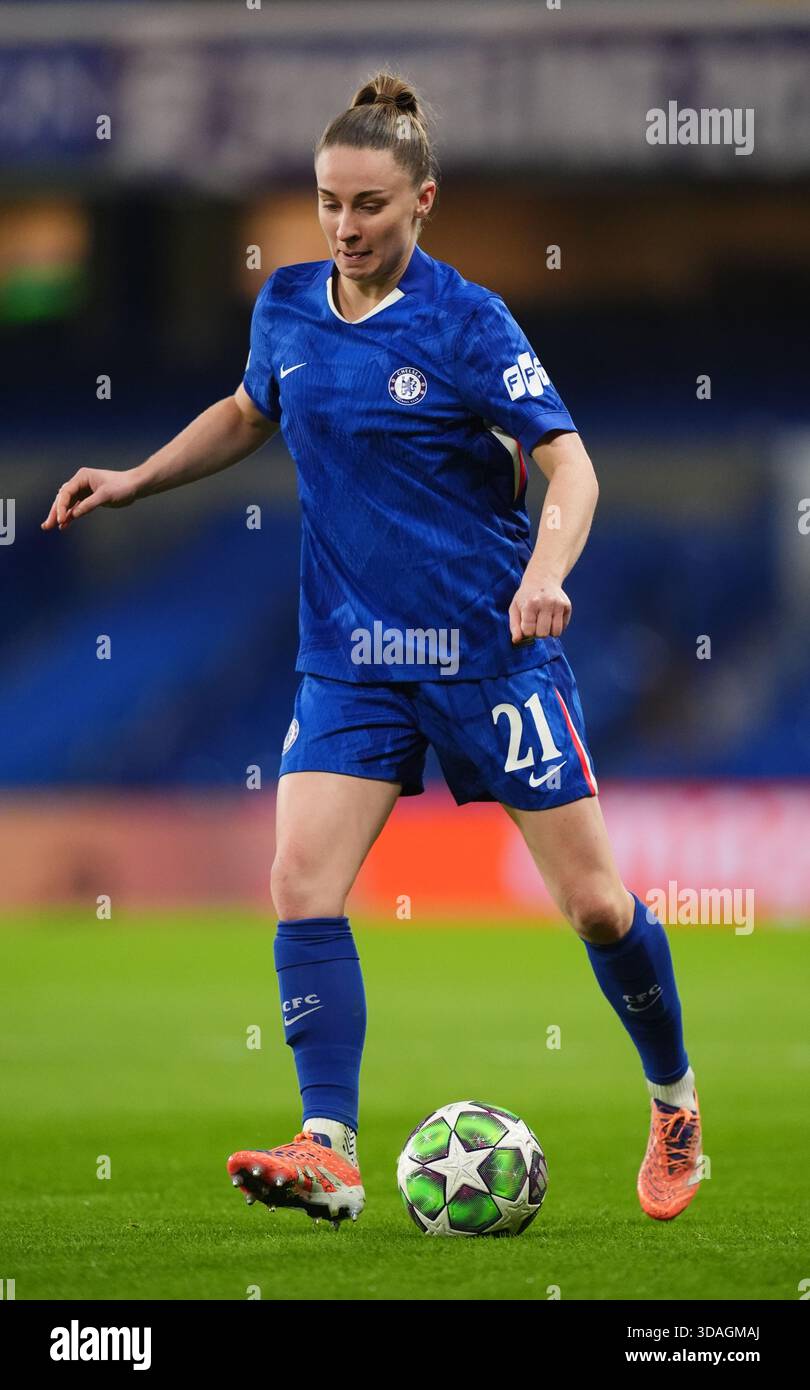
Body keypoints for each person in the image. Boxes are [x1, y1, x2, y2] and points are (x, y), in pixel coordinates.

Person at [42, 70, 702, 1232]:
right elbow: (251, 412)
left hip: (489, 654)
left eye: (369, 207)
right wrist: (139, 476)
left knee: (598, 906)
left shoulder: (469, 322)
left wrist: (546, 574)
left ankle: (674, 1098)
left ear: (424, 201)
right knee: (300, 881)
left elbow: (573, 464)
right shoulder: (288, 306)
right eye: (328, 203)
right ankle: (331, 1145)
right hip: (349, 655)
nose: (344, 228)